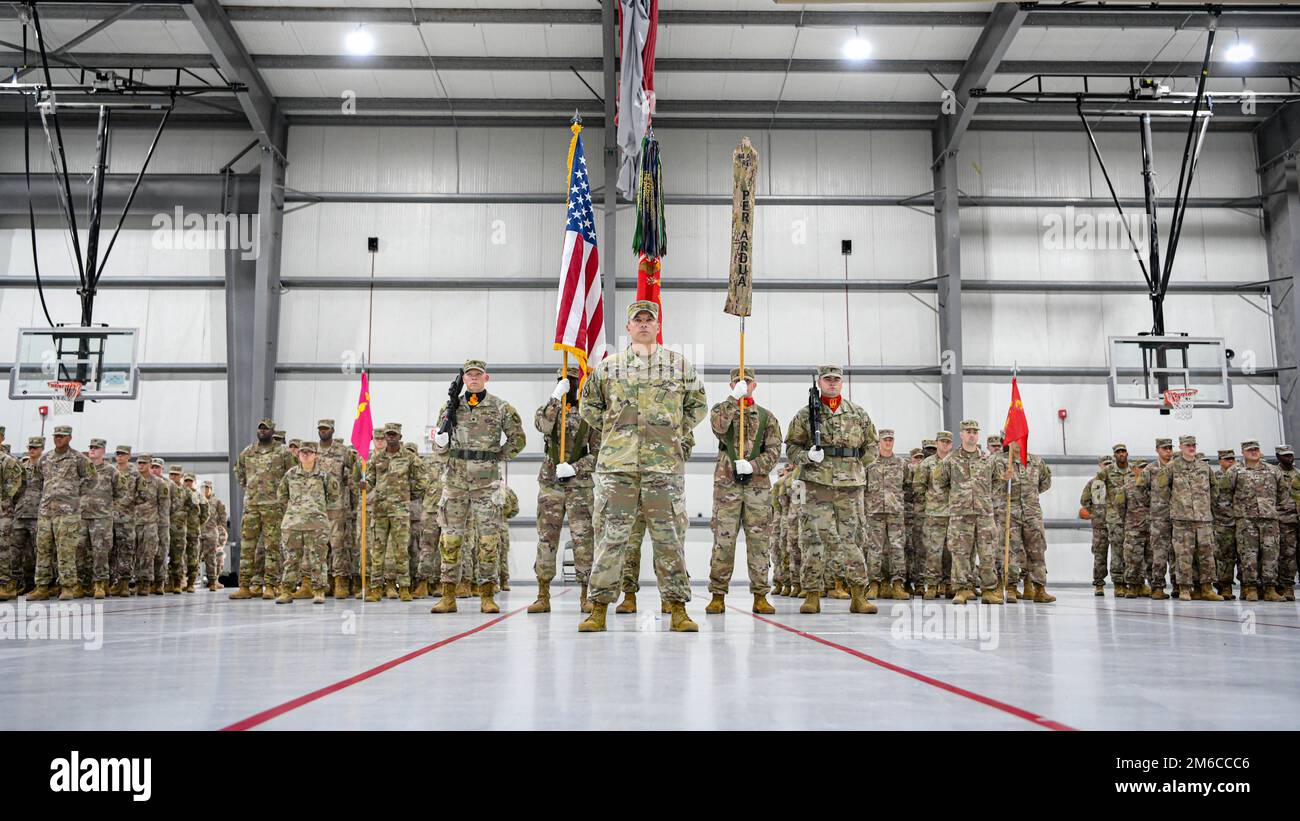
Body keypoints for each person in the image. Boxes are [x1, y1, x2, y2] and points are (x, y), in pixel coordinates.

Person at [576, 301, 707, 632]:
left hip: (663, 468)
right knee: (610, 538)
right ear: (629, 327)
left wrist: (672, 429)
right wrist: (613, 431)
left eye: (650, 320)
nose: (644, 324)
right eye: (638, 320)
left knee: (669, 539)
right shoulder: (609, 368)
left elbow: (698, 405)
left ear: (657, 325)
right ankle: (599, 609)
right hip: (617, 468)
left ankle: (677, 609)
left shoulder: (679, 366)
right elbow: (588, 405)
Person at [429, 360, 526, 614]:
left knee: (488, 540)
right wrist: (440, 443)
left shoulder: (500, 407)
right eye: (469, 375)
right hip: (455, 482)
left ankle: (487, 595)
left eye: (478, 375)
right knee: (450, 539)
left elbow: (518, 439)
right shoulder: (451, 407)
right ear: (464, 379)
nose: (473, 379)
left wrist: (497, 456)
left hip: (486, 484)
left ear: (486, 378)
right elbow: (439, 451)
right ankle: (448, 595)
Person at [784, 364, 879, 615]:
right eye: (827, 379)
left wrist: (857, 466)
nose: (832, 383)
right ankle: (812, 594)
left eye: (836, 379)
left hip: (850, 486)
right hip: (817, 485)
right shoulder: (806, 415)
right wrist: (806, 457)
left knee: (854, 539)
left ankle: (859, 595)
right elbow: (791, 448)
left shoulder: (858, 413)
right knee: (813, 538)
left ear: (842, 382)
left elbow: (872, 446)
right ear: (819, 382)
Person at [705, 366, 782, 615]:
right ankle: (718, 595)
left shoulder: (767, 417)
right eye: (737, 382)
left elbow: (774, 452)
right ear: (731, 386)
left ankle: (760, 595)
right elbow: (718, 427)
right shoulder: (722, 410)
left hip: (757, 489)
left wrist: (753, 465)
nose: (743, 384)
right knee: (722, 543)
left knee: (759, 543)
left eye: (746, 381)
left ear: (754, 385)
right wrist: (732, 400)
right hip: (726, 488)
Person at [528, 364, 600, 614]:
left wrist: (576, 467)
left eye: (572, 380)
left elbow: (600, 454)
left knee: (584, 540)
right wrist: (555, 397)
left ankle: (585, 594)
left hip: (579, 487)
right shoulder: (549, 410)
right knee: (546, 539)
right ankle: (542, 594)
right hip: (551, 484)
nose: (568, 383)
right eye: (563, 380)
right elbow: (543, 426)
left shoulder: (591, 415)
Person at [936, 420, 1000, 605]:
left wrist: (983, 499)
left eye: (974, 431)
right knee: (960, 553)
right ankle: (963, 589)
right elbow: (941, 482)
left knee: (987, 552)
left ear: (978, 435)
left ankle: (989, 590)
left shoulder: (988, 460)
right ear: (961, 434)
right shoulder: (951, 459)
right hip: (960, 514)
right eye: (968, 431)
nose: (972, 434)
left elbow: (996, 482)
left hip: (984, 514)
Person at [28, 425, 93, 601]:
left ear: (70, 438)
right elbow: (37, 479)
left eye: (62, 436)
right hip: (46, 511)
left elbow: (91, 480)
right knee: (43, 549)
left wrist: (74, 497)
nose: (58, 438)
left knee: (65, 550)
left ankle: (68, 586)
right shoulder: (45, 458)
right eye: (56, 435)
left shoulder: (78, 458)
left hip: (68, 513)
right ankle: (41, 587)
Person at [231, 419, 295, 600]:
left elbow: (291, 475)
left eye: (266, 429)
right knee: (247, 547)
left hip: (273, 506)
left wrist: (281, 496)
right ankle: (244, 586)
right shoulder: (248, 451)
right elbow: (239, 472)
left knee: (272, 547)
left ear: (272, 431)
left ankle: (270, 586)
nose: (262, 431)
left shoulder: (283, 452)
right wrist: (251, 489)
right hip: (251, 505)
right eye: (260, 429)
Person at [366, 424, 429, 602]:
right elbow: (370, 479)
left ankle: (405, 588)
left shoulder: (409, 458)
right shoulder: (376, 459)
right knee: (377, 550)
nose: (390, 437)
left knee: (401, 550)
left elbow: (422, 480)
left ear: (400, 437)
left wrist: (409, 494)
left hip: (400, 512)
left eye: (394, 435)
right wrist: (366, 485)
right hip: (380, 511)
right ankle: (376, 588)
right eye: (388, 435)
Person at [277, 441, 340, 605]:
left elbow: (333, 495)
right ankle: (286, 591)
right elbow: (282, 495)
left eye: (309, 452)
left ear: (316, 455)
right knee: (291, 559)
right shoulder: (290, 474)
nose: (305, 455)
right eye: (303, 452)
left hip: (317, 524)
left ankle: (318, 591)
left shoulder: (324, 475)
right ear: (298, 455)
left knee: (318, 559)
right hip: (293, 524)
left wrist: (317, 509)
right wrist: (294, 511)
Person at [1225, 441, 1285, 602]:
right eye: (1250, 450)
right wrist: (1235, 517)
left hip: (1270, 520)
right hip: (1246, 521)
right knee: (1248, 555)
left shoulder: (1273, 471)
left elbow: (1283, 495)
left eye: (1256, 449)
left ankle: (1270, 589)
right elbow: (1224, 496)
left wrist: (1274, 511)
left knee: (1271, 555)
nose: (1254, 452)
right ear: (1243, 452)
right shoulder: (1235, 471)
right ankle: (1250, 588)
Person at [1168, 435, 1223, 602]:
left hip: (1203, 518)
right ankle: (1185, 588)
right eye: (1188, 445)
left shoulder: (1204, 467)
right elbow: (1162, 490)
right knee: (1184, 555)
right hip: (1182, 519)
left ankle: (1207, 588)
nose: (1191, 448)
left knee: (1207, 554)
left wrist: (1205, 506)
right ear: (1181, 447)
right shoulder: (1172, 467)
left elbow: (1215, 489)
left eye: (1193, 445)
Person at [864, 429, 908, 600]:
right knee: (875, 549)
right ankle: (874, 584)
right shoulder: (870, 466)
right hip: (874, 513)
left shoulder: (901, 464)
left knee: (897, 548)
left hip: (895, 512)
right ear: (878, 442)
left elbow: (907, 485)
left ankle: (898, 584)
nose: (888, 442)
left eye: (890, 439)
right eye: (885, 440)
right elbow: (864, 489)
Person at [913, 431, 954, 599]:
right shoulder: (927, 464)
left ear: (951, 444)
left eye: (948, 442)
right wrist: (927, 506)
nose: (945, 444)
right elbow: (918, 486)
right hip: (933, 513)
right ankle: (932, 585)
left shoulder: (956, 462)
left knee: (951, 551)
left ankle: (950, 584)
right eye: (942, 441)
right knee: (933, 551)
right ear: (937, 443)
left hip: (953, 513)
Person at [110, 445, 140, 597]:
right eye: (118, 454)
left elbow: (140, 495)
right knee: (111, 551)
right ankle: (114, 583)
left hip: (127, 518)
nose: (120, 456)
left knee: (126, 551)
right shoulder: (112, 471)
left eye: (123, 454)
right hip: (110, 518)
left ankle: (124, 584)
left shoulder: (135, 473)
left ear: (129, 456)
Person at [0, 427, 25, 601]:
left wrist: (5, 501)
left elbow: (17, 486)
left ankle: (4, 584)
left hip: (3, 511)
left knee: (2, 547)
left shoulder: (7, 461)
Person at [200, 481, 228, 591]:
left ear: (211, 489)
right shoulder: (198, 499)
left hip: (212, 533)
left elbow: (223, 518)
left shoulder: (217, 502)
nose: (205, 490)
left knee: (212, 558)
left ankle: (213, 581)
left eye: (207, 488)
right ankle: (188, 582)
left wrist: (222, 534)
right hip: (199, 533)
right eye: (203, 488)